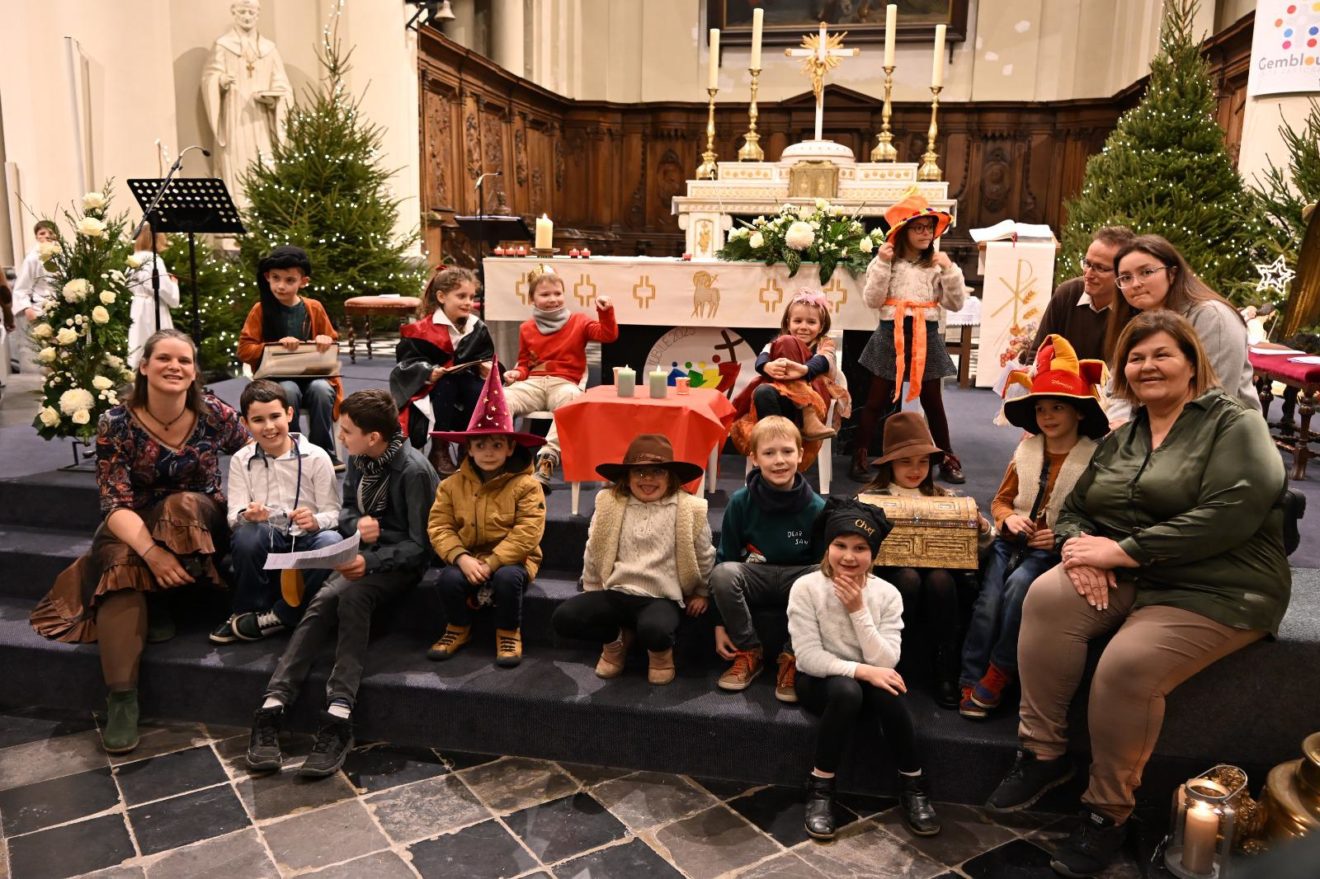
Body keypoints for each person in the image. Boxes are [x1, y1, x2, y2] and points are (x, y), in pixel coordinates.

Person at [985, 311, 1290, 878]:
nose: (1147, 366)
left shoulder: (1234, 423)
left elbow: (1235, 510)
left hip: (1218, 582)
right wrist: (1077, 548)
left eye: (1162, 355)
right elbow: (1076, 508)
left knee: (1126, 665)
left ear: (1193, 362)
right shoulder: (1122, 437)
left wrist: (1120, 553)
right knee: (1048, 597)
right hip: (1131, 572)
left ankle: (1107, 813)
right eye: (1136, 357)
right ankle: (1042, 752)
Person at [30, 330, 249, 754]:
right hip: (132, 520)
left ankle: (167, 601)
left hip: (199, 518)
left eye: (184, 361)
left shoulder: (214, 415)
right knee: (118, 561)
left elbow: (261, 450)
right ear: (144, 366)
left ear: (194, 372)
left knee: (180, 506)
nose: (175, 367)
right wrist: (150, 552)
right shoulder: (116, 421)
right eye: (164, 358)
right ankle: (122, 698)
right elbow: (114, 503)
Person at [246, 389, 438, 778]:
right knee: (321, 602)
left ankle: (338, 714)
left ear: (374, 437)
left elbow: (421, 547)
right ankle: (272, 705)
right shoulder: (360, 459)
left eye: (348, 431)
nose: (341, 438)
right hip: (362, 554)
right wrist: (356, 529)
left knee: (351, 600)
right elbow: (349, 511)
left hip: (397, 564)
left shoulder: (414, 471)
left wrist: (371, 559)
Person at [959, 335, 1104, 719]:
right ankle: (969, 676)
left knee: (1020, 591)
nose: (1048, 416)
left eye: (1058, 407)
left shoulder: (1093, 460)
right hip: (1011, 542)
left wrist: (1061, 536)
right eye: (1041, 409)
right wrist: (1008, 518)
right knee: (987, 602)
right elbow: (1001, 501)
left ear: (1079, 413)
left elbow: (1097, 513)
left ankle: (1000, 671)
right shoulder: (1025, 451)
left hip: (1053, 551)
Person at [788, 498, 941, 841]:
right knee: (847, 689)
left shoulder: (887, 594)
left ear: (873, 554)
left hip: (867, 685)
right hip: (820, 684)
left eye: (860, 548)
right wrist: (863, 671)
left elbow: (885, 662)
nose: (849, 556)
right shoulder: (806, 587)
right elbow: (808, 658)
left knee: (888, 692)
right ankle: (821, 786)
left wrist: (858, 609)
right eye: (840, 545)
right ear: (827, 547)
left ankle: (913, 785)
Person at [551, 434, 715, 685]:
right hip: (617, 590)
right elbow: (595, 548)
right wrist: (592, 589)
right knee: (565, 618)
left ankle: (660, 654)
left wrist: (702, 590)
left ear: (670, 476)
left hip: (661, 595)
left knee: (655, 629)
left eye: (657, 472)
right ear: (627, 477)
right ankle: (616, 641)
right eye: (639, 473)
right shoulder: (610, 504)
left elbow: (704, 554)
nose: (647, 479)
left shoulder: (689, 508)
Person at [857, 411, 992, 708]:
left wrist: (980, 528)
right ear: (890, 463)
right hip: (891, 576)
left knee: (940, 579)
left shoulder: (946, 497)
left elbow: (979, 549)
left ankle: (944, 664)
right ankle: (893, 657)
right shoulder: (870, 499)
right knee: (908, 577)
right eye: (905, 461)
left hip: (941, 575)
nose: (915, 469)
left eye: (922, 461)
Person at [426, 360, 548, 667]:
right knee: (447, 581)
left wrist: (492, 561)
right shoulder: (451, 486)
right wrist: (461, 557)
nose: (489, 452)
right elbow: (439, 525)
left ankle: (508, 631)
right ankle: (458, 627)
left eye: (497, 445)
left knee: (508, 579)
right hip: (469, 554)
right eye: (481, 446)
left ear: (509, 448)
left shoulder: (527, 486)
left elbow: (527, 533)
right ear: (469, 450)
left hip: (513, 559)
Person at [214, 380, 342, 645]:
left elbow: (333, 513)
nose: (269, 427)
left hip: (304, 538)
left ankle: (279, 615)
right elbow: (233, 515)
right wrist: (247, 515)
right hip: (267, 537)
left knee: (332, 542)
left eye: (275, 416)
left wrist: (315, 520)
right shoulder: (241, 459)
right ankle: (249, 609)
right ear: (245, 423)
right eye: (258, 420)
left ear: (290, 414)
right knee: (248, 535)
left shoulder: (317, 457)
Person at [854, 194, 968, 483]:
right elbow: (872, 299)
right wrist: (880, 264)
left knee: (933, 402)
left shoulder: (937, 265)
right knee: (876, 400)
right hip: (891, 332)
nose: (926, 233)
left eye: (929, 228)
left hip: (925, 334)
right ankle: (861, 453)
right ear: (903, 231)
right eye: (919, 227)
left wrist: (951, 271)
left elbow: (955, 304)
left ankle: (946, 456)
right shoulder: (887, 262)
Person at [711, 416, 825, 701]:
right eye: (769, 453)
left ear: (800, 454)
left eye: (787, 451)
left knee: (826, 574)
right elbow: (724, 556)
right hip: (756, 577)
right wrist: (718, 623)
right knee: (723, 573)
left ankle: (793, 655)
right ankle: (750, 651)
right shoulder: (740, 501)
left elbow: (823, 564)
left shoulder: (817, 508)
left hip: (797, 581)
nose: (779, 461)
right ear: (754, 458)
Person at [1104, 234, 1259, 424]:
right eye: (1126, 277)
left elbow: (1214, 398)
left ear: (1172, 273)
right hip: (1152, 427)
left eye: (1146, 272)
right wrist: (1120, 426)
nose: (1135, 284)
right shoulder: (1137, 319)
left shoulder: (1213, 317)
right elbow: (1119, 390)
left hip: (1220, 433)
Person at [502, 264, 618, 488]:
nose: (552, 299)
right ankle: (502, 454)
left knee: (572, 400)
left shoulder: (579, 321)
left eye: (557, 293)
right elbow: (525, 363)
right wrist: (517, 372)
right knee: (501, 399)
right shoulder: (527, 328)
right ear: (532, 299)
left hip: (563, 383)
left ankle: (548, 459)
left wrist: (605, 311)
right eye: (545, 294)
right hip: (533, 383)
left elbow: (608, 335)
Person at [237, 245, 342, 466]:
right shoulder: (260, 309)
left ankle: (323, 452)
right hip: (275, 379)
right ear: (267, 277)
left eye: (289, 280)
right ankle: (291, 448)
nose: (281, 286)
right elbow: (245, 350)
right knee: (288, 390)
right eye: (276, 278)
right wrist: (274, 346)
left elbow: (333, 343)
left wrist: (325, 340)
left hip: (313, 375)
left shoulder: (313, 308)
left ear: (303, 281)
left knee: (322, 390)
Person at [729, 290, 852, 472]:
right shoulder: (777, 342)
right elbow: (761, 358)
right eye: (797, 321)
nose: (803, 327)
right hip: (782, 404)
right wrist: (767, 367)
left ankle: (806, 411)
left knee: (788, 343)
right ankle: (779, 449)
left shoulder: (825, 344)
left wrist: (803, 370)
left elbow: (824, 361)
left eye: (811, 322)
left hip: (814, 399)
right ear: (788, 322)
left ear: (821, 325)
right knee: (763, 392)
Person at [390, 267, 496, 475]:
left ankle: (470, 447)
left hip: (467, 386)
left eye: (471, 297)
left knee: (477, 389)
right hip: (433, 390)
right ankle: (440, 449)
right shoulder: (420, 330)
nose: (468, 302)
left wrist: (488, 368)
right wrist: (428, 372)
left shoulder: (477, 328)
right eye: (461, 296)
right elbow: (406, 365)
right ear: (441, 297)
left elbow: (488, 356)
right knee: (446, 385)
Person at [200, 0, 291, 204]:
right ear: (233, 12)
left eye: (251, 12)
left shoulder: (269, 49)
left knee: (265, 164)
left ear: (258, 14)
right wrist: (220, 81)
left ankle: (264, 215)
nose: (247, 16)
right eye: (242, 12)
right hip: (234, 118)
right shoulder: (223, 45)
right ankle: (238, 220)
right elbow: (210, 77)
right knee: (236, 162)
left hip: (262, 120)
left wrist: (274, 98)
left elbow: (283, 86)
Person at [1029, 226, 1134, 363]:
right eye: (1087, 263)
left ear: (1123, 274)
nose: (1088, 274)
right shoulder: (1067, 294)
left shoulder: (1133, 305)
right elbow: (1036, 356)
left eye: (1100, 268)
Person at [126, 227, 180, 369]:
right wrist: (173, 284)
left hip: (137, 306)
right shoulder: (154, 259)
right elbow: (166, 292)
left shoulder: (133, 258)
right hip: (153, 307)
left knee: (138, 344)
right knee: (158, 344)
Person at [11, 220, 59, 374]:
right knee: (41, 356)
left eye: (50, 233)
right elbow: (21, 289)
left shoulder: (62, 257)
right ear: (37, 237)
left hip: (61, 311)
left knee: (60, 356)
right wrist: (27, 308)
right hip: (39, 310)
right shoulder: (32, 259)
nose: (46, 236)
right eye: (42, 233)